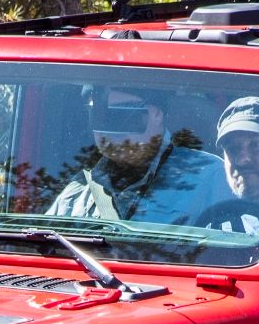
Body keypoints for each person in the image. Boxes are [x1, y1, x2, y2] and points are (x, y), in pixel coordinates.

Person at [47, 88, 227, 224]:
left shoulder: (210, 177)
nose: (108, 131)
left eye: (119, 116)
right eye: (98, 116)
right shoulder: (79, 191)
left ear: (156, 114)